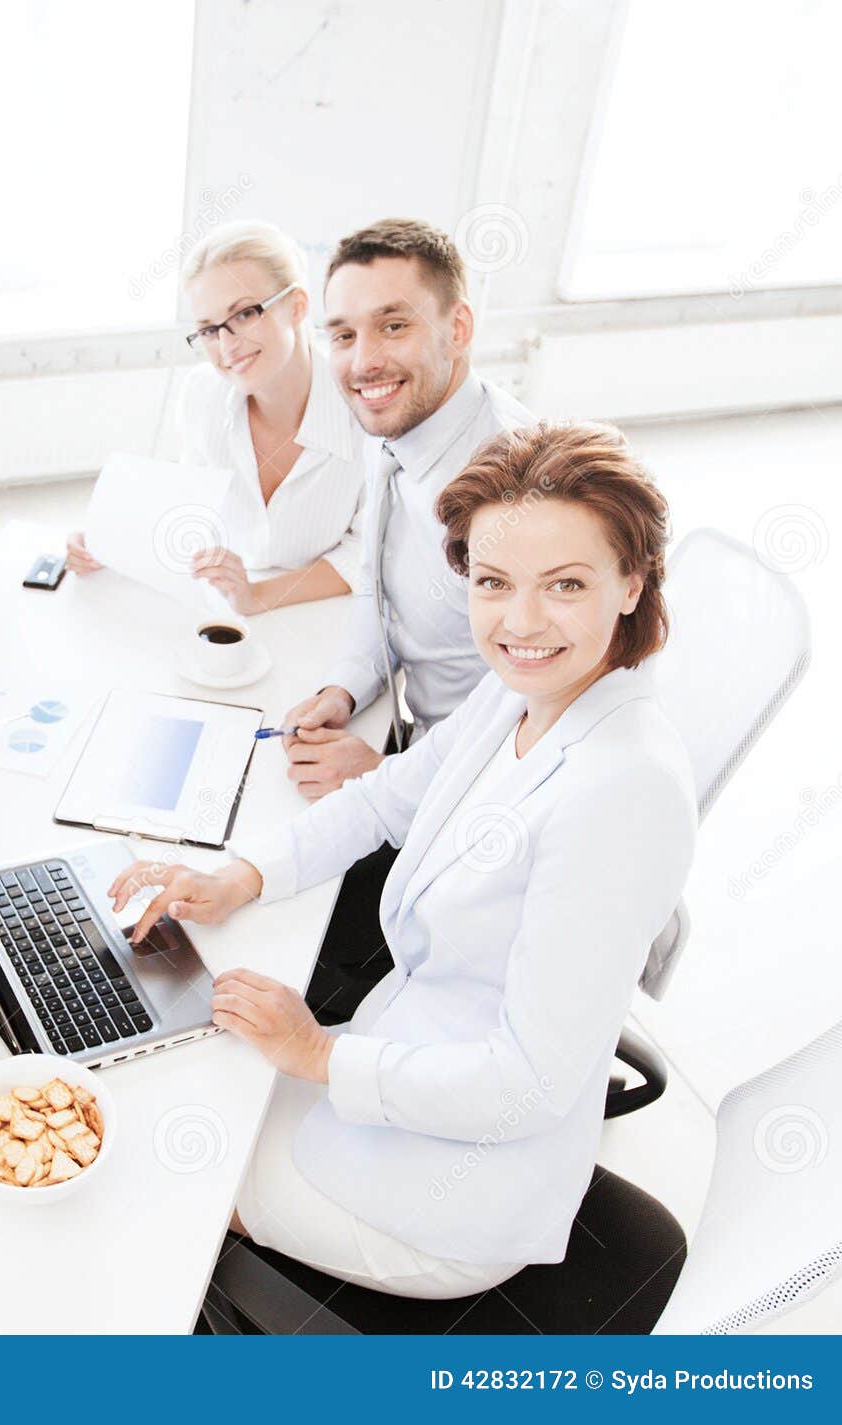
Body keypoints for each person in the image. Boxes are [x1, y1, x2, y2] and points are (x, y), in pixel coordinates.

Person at [109, 422, 695, 1297]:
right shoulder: (526, 688)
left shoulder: (624, 790)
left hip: (461, 1188)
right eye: (493, 582)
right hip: (404, 1056)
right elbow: (386, 796)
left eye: (566, 584)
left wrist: (316, 1055)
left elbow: (531, 1083)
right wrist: (237, 874)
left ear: (632, 582)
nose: (521, 621)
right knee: (190, 1075)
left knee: (172, 1162)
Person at [277, 217, 531, 1020]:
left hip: (484, 812)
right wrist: (344, 688)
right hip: (424, 756)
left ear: (458, 328)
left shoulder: (510, 500)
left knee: (300, 970)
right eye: (343, 334)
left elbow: (539, 726)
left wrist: (383, 780)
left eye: (394, 325)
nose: (364, 361)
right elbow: (374, 587)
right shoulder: (400, 426)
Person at [64, 220, 363, 613]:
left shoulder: (362, 409)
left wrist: (258, 596)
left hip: (327, 612)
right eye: (208, 330)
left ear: (297, 306)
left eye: (245, 314)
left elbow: (364, 552)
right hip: (234, 609)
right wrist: (110, 540)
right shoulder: (203, 393)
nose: (227, 346)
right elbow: (194, 506)